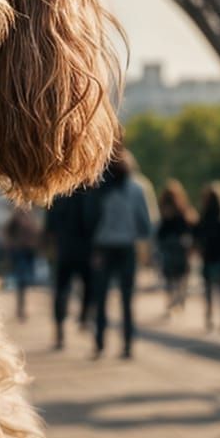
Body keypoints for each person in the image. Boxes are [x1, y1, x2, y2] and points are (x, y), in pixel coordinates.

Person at [91, 146, 156, 359]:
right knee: (127, 300)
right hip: (127, 247)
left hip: (103, 247)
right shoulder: (138, 187)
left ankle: (100, 343)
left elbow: (90, 220)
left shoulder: (99, 187)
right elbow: (146, 223)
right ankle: (127, 344)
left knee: (101, 298)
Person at [45, 174, 105, 350]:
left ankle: (60, 328)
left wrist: (51, 244)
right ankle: (84, 318)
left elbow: (50, 223)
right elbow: (95, 220)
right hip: (86, 248)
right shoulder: (93, 192)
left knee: (62, 290)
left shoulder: (59, 191)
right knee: (88, 287)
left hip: (65, 248)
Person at [196, 181, 220, 333]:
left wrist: (198, 251)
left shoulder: (203, 218)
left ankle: (209, 314)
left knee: (209, 289)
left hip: (208, 257)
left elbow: (198, 239)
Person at [155, 180, 195, 314]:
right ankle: (179, 298)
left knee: (169, 275)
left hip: (167, 246)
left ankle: (171, 299)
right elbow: (189, 226)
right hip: (180, 246)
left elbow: (160, 230)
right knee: (182, 274)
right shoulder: (183, 208)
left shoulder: (163, 209)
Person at [1, 202, 43, 322]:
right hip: (19, 252)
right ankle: (21, 308)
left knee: (26, 279)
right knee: (22, 280)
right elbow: (7, 233)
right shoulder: (17, 218)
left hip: (29, 252)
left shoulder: (32, 218)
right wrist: (11, 246)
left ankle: (22, 306)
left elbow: (37, 234)